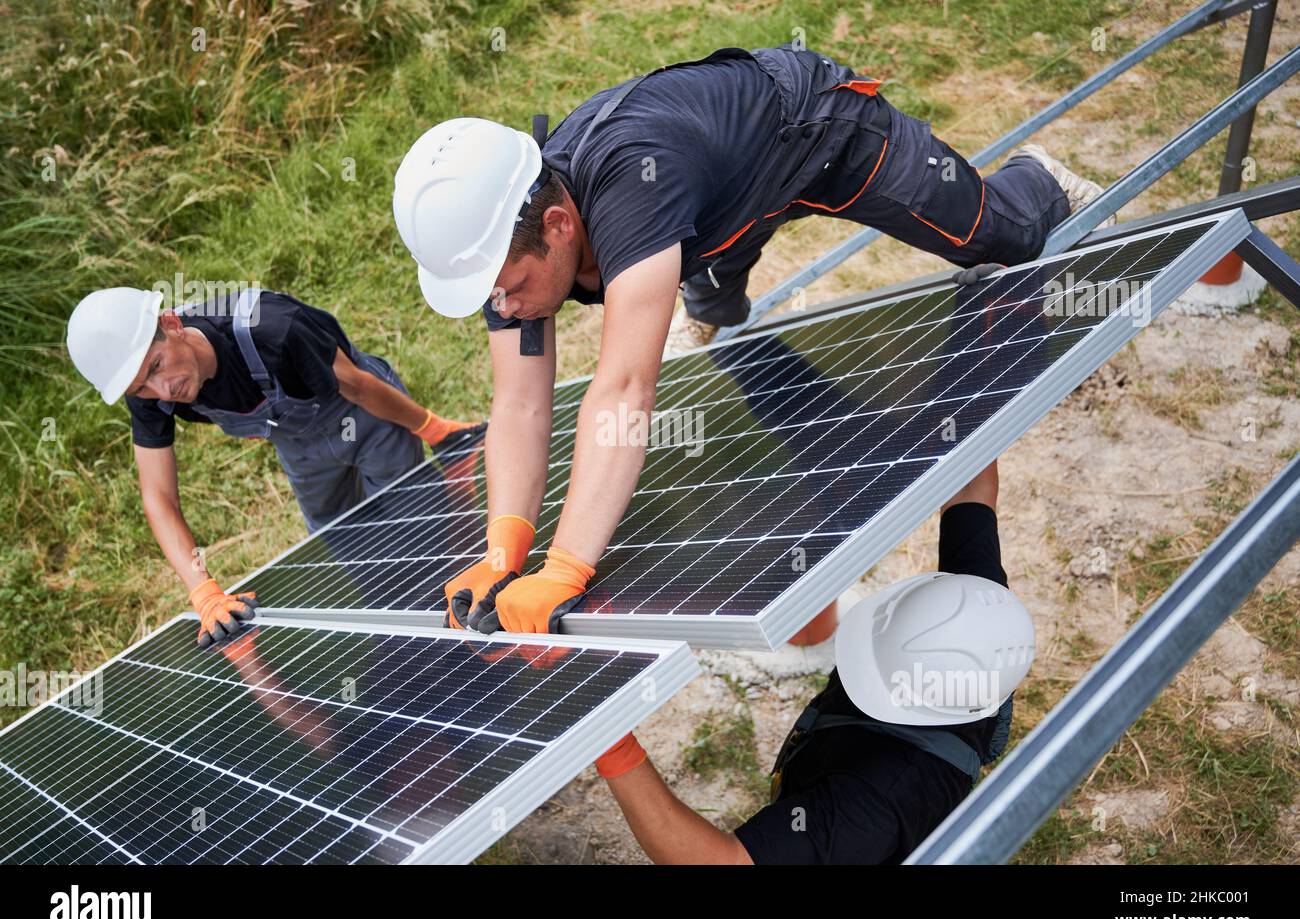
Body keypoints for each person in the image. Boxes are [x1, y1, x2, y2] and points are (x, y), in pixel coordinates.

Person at [392, 43, 1105, 639]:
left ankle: (1035, 181)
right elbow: (518, 404)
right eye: (491, 294)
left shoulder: (635, 191)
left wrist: (564, 568)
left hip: (821, 135)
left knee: (995, 236)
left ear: (558, 227)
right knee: (716, 297)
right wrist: (503, 549)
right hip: (712, 212)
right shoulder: (507, 249)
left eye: (510, 287)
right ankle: (704, 293)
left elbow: (623, 391)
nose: (505, 306)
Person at [592, 460, 1035, 863]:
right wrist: (966, 399)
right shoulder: (978, 615)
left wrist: (615, 747)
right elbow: (972, 491)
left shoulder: (868, 806)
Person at [66, 286, 480, 646]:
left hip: (364, 414)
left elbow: (356, 384)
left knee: (423, 529)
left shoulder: (271, 328)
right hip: (297, 445)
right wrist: (203, 592)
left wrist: (430, 426)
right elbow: (157, 496)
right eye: (142, 386)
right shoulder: (146, 390)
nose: (162, 391)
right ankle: (421, 643)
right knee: (356, 551)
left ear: (171, 323)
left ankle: (473, 622)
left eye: (157, 367)